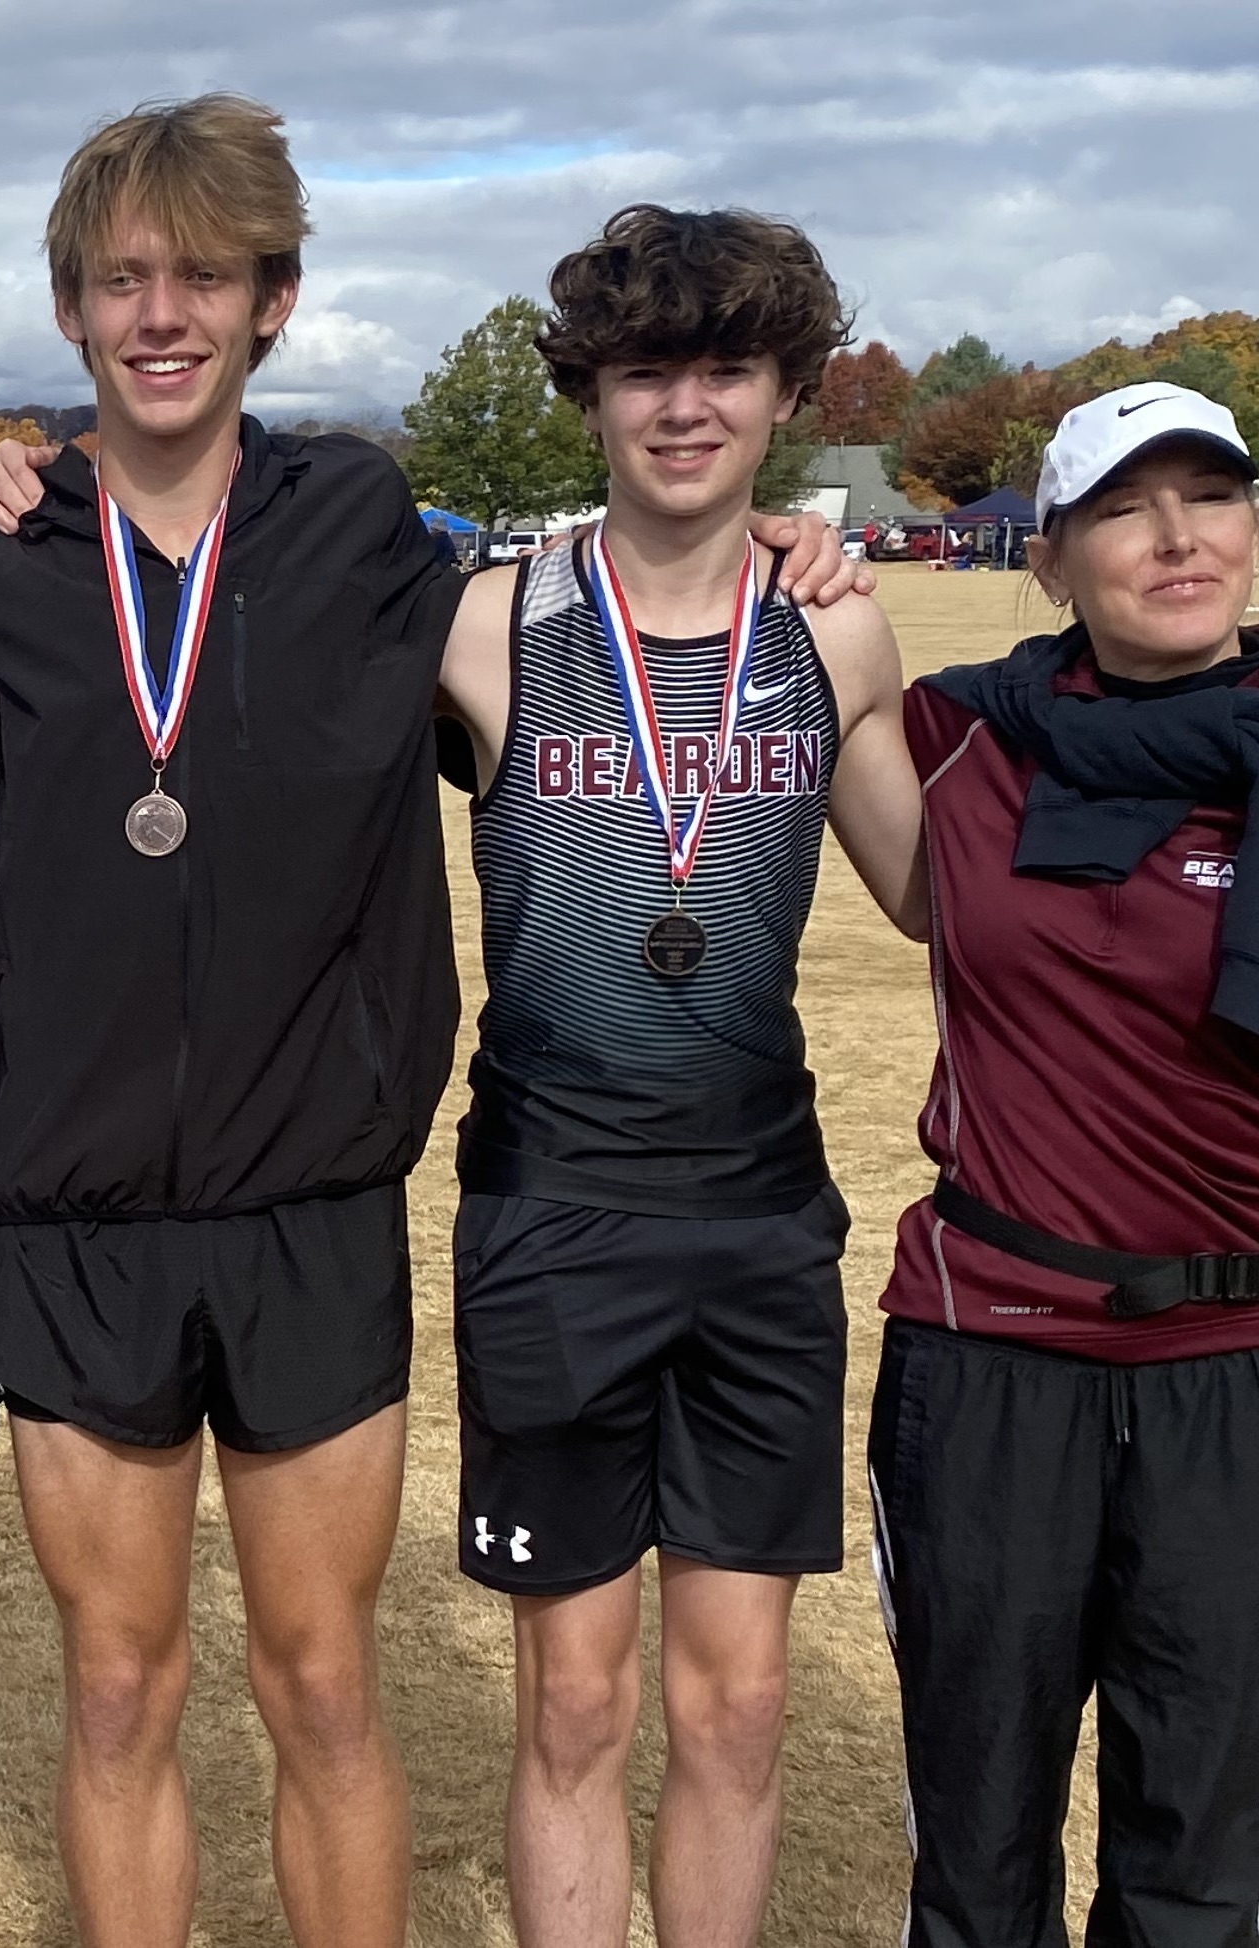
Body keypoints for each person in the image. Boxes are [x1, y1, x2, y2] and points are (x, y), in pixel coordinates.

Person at [0, 103, 867, 1948]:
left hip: (311, 1208)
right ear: (66, 309)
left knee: (321, 1683)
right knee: (116, 1689)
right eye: (121, 278)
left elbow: (617, 613)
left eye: (204, 273)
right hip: (70, 1213)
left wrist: (789, 557)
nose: (161, 311)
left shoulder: (360, 526)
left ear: (274, 299)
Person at [874, 382, 1259, 1947]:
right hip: (988, 1360)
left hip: (1247, 1377)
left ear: (1255, 522)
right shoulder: (961, 737)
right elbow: (782, 661)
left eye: (1210, 497)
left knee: (1193, 1887)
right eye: (1125, 508)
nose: (1176, 538)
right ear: (1053, 552)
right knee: (977, 1869)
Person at [431, 206, 924, 1948]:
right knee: (572, 1705)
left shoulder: (836, 634)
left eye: (723, 367)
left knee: (734, 1704)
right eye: (644, 369)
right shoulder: (483, 626)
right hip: (551, 1218)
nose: (683, 407)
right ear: (587, 395)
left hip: (759, 1227)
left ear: (784, 389)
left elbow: (941, 894)